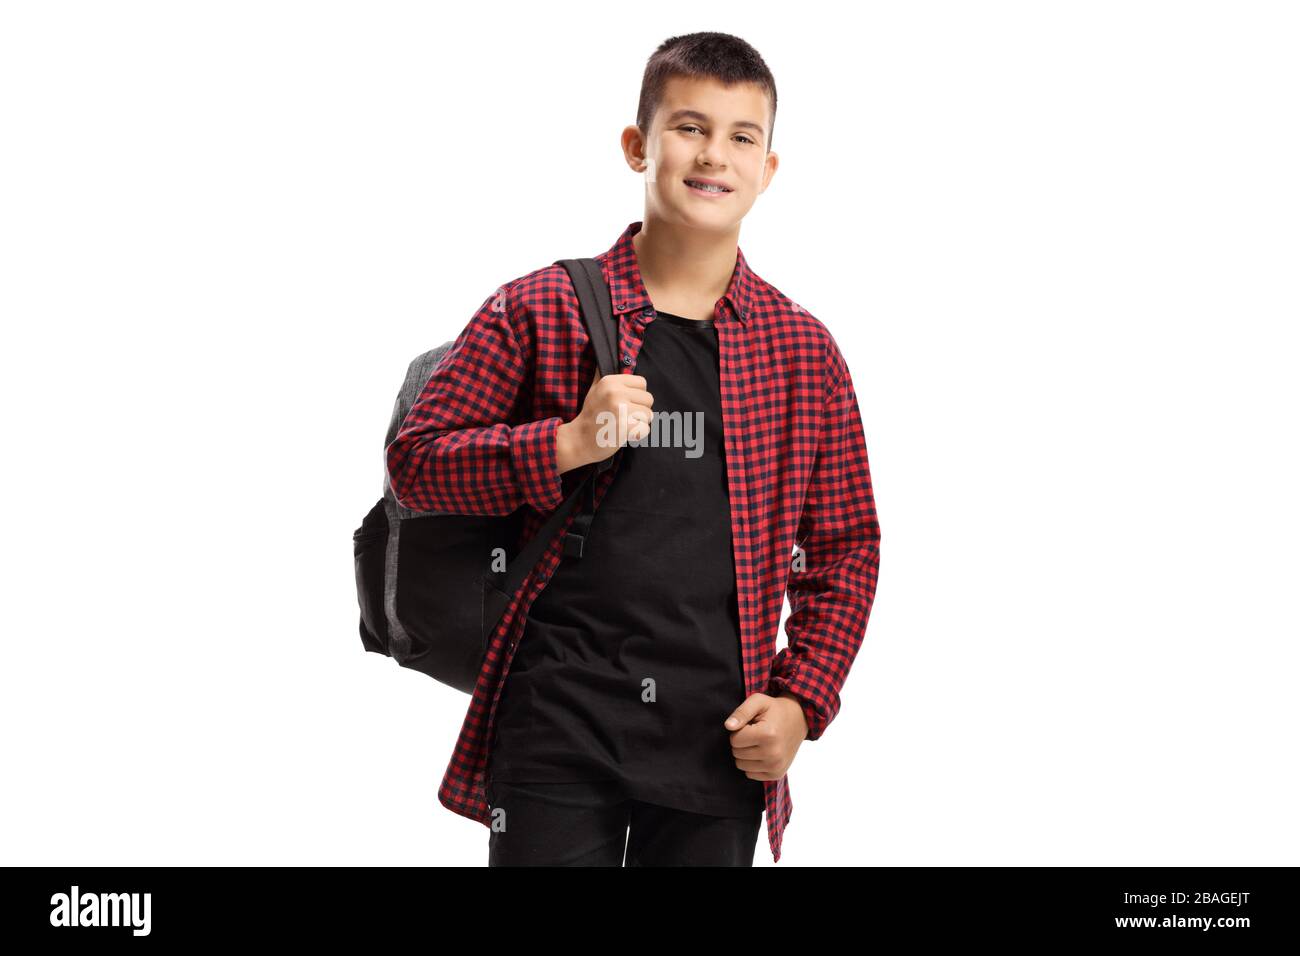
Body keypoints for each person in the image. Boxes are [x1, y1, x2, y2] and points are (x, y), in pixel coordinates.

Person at [385, 31, 881, 866]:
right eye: (689, 127)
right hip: (555, 727)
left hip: (717, 742)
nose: (713, 154)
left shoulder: (803, 352)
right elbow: (417, 463)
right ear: (636, 146)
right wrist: (565, 443)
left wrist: (801, 700)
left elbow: (845, 546)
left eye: (740, 136)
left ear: (767, 169)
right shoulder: (541, 309)